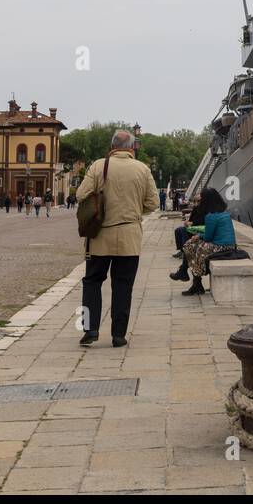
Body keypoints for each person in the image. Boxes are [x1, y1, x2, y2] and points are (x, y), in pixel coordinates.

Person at [75, 130, 157, 347]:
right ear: (131, 147)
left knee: (92, 282)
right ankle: (118, 335)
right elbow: (153, 203)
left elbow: (81, 194)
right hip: (130, 236)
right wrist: (133, 209)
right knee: (123, 286)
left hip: (99, 236)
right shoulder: (142, 169)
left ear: (112, 147)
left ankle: (90, 329)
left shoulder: (98, 166)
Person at [172, 188, 236, 296]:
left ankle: (195, 282)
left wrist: (198, 237)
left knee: (189, 246)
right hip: (230, 246)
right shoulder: (223, 213)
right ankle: (190, 278)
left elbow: (208, 238)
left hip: (220, 247)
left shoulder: (210, 216)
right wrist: (199, 236)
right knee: (191, 246)